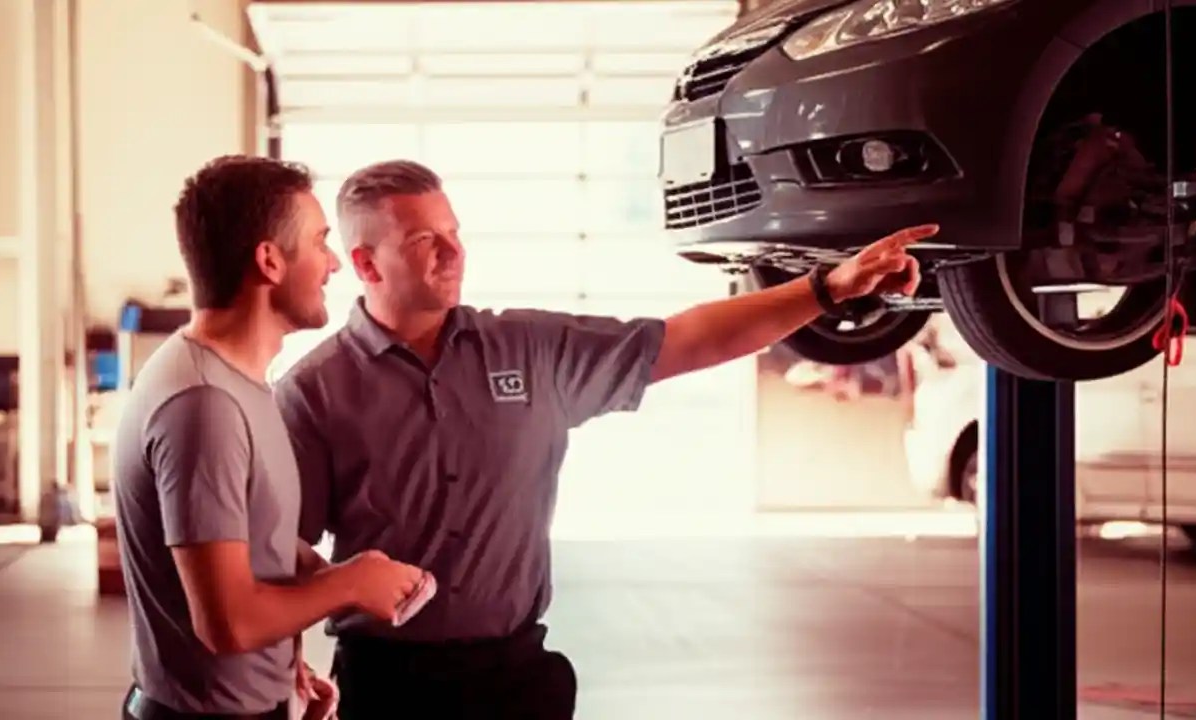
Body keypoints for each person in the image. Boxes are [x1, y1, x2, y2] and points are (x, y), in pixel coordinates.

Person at [273, 160, 936, 719]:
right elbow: (280, 552)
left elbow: (689, 338)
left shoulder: (531, 350)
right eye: (424, 239)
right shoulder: (314, 391)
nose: (454, 252)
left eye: (454, 232)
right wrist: (289, 660)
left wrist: (827, 288)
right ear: (364, 263)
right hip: (392, 689)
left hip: (518, 682)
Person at [113, 155, 430, 720]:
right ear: (269, 261)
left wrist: (285, 668)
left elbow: (248, 539)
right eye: (319, 242)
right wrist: (351, 584)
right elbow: (228, 623)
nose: (333, 263)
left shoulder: (236, 383)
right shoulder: (204, 406)